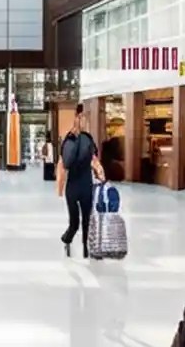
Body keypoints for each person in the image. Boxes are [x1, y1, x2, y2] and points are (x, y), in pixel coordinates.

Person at [59, 107, 105, 258]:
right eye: (80, 117)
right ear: (76, 118)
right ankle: (67, 239)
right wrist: (75, 138)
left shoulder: (89, 138)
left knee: (87, 220)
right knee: (75, 222)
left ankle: (87, 249)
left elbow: (94, 158)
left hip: (86, 185)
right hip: (72, 187)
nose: (83, 120)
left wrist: (100, 173)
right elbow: (66, 163)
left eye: (85, 117)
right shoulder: (68, 140)